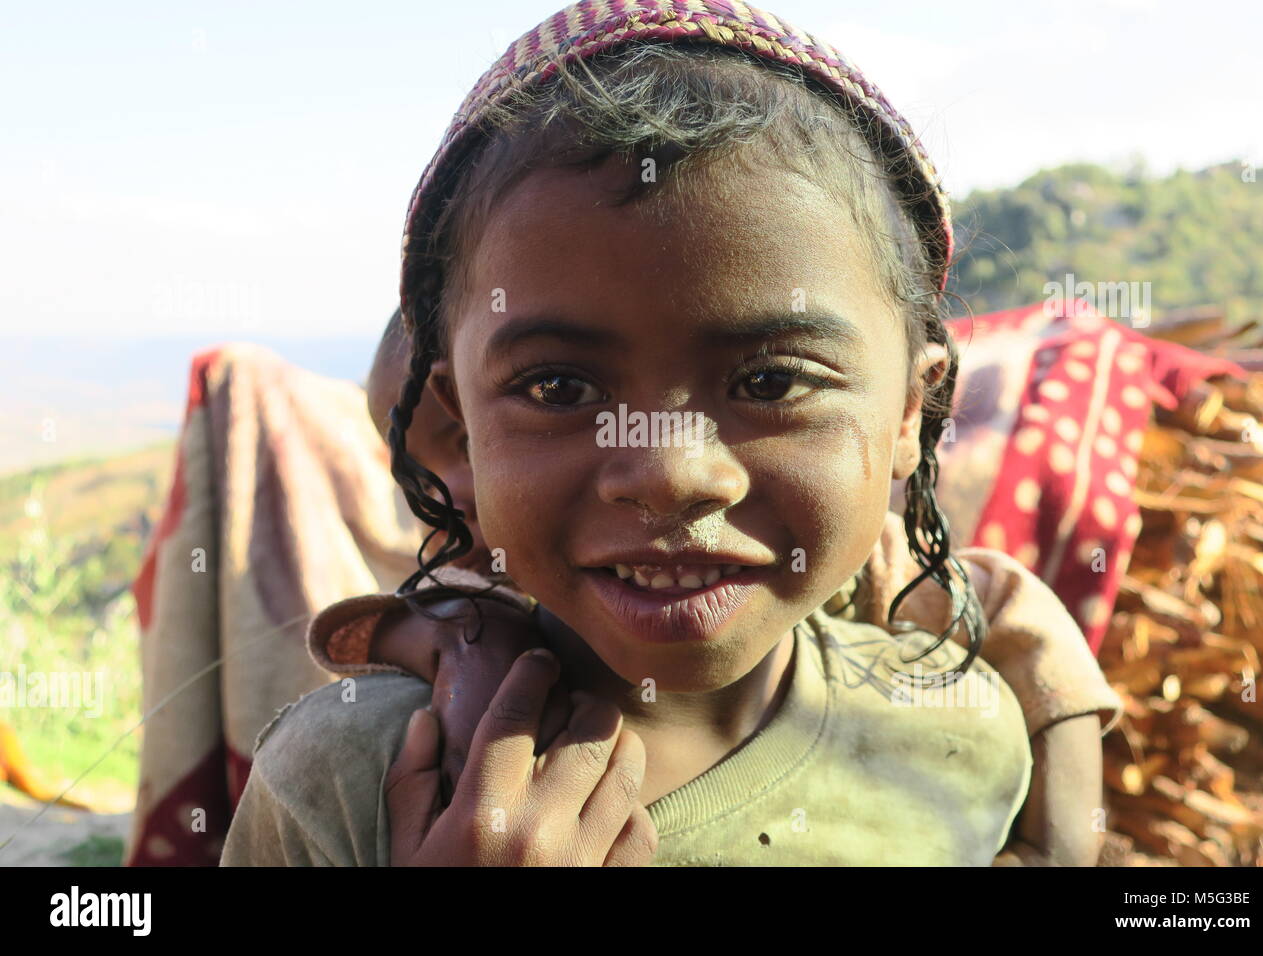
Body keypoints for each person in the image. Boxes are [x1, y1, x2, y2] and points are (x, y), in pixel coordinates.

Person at [221, 0, 1120, 866]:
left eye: (771, 381)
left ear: (910, 415)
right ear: (461, 426)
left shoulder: (961, 741)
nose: (669, 473)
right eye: (558, 386)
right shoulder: (355, 778)